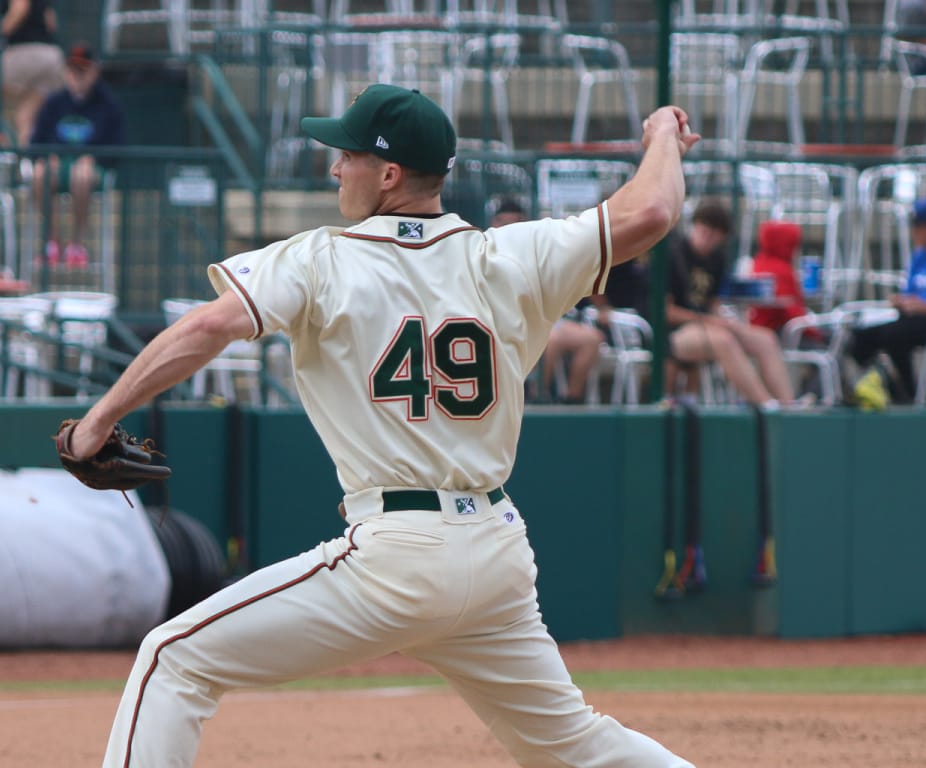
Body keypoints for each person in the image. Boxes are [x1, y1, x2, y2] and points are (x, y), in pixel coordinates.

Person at [61, 84, 699, 767]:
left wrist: (98, 420)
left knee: (171, 659)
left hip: (398, 554)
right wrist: (663, 135)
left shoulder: (321, 259)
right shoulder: (513, 254)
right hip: (495, 553)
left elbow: (211, 323)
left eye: (348, 154)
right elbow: (654, 208)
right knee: (574, 743)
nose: (336, 167)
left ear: (389, 174)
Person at [664, 201, 797, 408]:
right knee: (723, 340)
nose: (707, 237)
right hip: (672, 334)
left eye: (714, 233)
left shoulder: (717, 259)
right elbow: (666, 312)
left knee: (765, 339)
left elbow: (713, 304)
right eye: (704, 229)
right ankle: (766, 404)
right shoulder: (673, 254)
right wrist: (711, 321)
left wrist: (724, 321)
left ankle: (789, 406)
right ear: (694, 226)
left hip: (705, 325)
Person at [851, 198, 926, 407]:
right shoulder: (920, 257)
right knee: (860, 336)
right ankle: (888, 388)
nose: (914, 232)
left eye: (918, 226)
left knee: (894, 336)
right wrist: (903, 301)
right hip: (914, 318)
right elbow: (911, 293)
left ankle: (907, 397)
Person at [494, 197, 606, 403]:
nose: (509, 227)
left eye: (515, 222)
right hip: (507, 320)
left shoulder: (538, 244)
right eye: (503, 222)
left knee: (591, 339)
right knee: (551, 339)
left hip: (552, 316)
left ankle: (572, 401)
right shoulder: (486, 248)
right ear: (495, 223)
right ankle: (534, 398)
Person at [30, 43, 126, 268]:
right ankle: (52, 242)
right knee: (39, 173)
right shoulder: (54, 103)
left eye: (83, 70)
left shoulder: (108, 104)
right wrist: (47, 155)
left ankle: (77, 243)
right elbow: (37, 143)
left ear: (94, 72)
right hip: (58, 165)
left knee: (81, 174)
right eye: (73, 69)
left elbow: (118, 146)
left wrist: (95, 158)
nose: (77, 76)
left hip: (92, 169)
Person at [0, 0, 65, 148]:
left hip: (25, 50)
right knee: (26, 117)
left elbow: (20, 8)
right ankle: (25, 160)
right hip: (52, 56)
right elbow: (51, 23)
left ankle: (4, 148)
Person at [747, 219, 810, 335]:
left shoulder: (759, 263)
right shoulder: (782, 270)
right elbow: (792, 311)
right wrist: (815, 333)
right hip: (783, 332)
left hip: (762, 327)